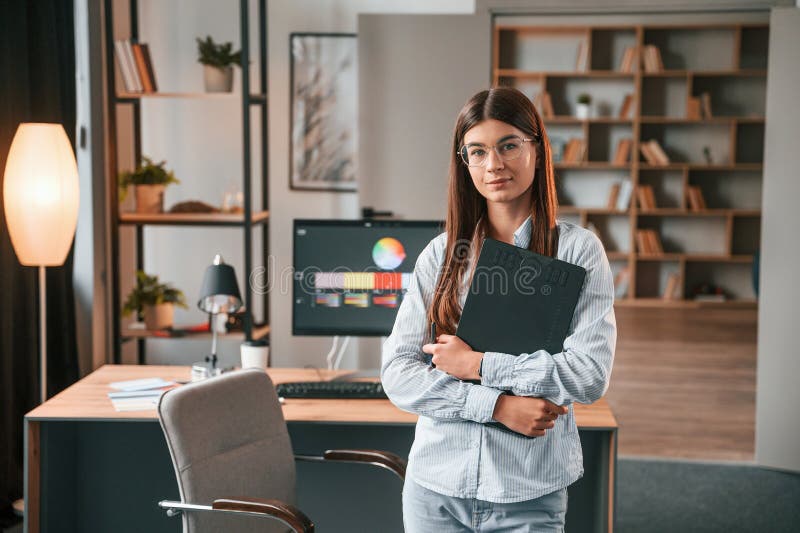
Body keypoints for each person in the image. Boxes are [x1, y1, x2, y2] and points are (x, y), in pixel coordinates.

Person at [381, 87, 617, 532]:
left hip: (526, 494)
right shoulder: (441, 255)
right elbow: (398, 373)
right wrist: (496, 405)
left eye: (509, 145)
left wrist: (478, 364)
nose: (494, 164)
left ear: (537, 148)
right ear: (464, 161)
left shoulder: (578, 252)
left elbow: (588, 375)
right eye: (478, 151)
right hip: (435, 491)